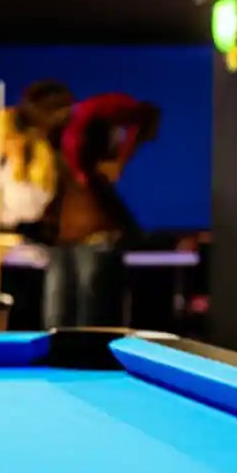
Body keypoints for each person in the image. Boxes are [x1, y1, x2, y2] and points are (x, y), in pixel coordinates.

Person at [41, 91, 161, 328]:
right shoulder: (78, 138)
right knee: (78, 318)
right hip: (79, 237)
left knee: (79, 319)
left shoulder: (79, 141)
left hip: (82, 236)